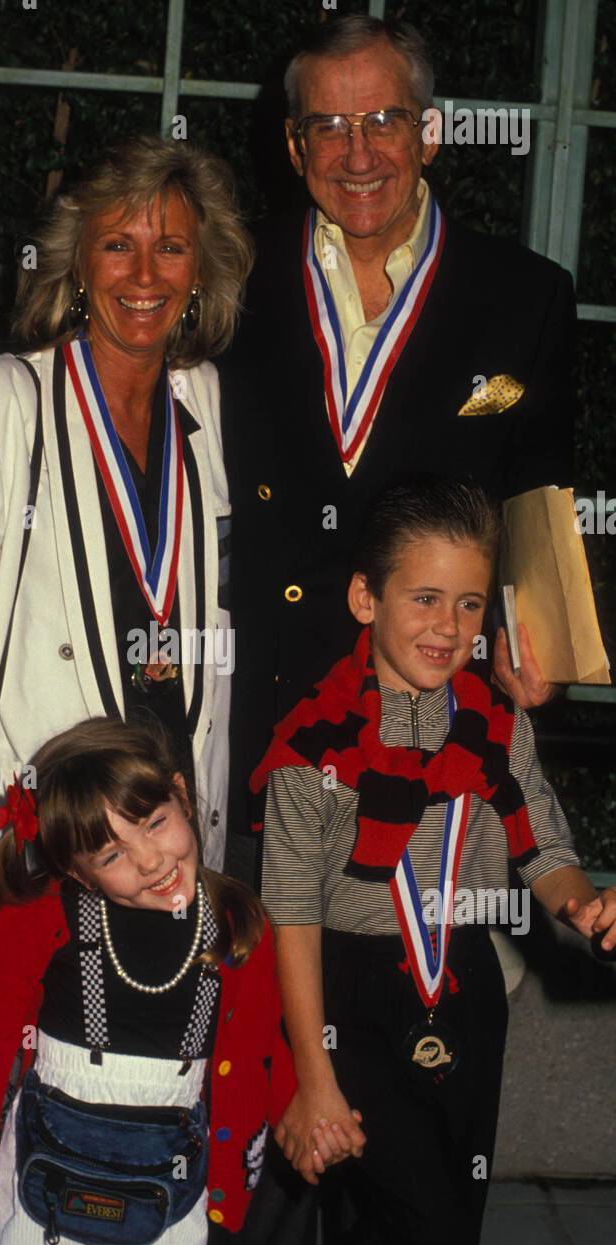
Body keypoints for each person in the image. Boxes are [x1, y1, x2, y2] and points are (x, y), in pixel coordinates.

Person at [252, 478, 615, 1245]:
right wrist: (313, 1074)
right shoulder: (313, 740)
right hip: (345, 995)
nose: (446, 627)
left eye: (467, 604)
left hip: (463, 986)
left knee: (427, 1221)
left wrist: (579, 903)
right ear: (362, 596)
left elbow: (542, 846)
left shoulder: (496, 722)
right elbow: (293, 913)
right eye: (422, 598)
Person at [0, 135, 253, 940]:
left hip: (178, 851)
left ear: (201, 270)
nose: (146, 275)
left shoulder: (213, 409)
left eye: (171, 248)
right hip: (46, 844)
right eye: (117, 246)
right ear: (76, 263)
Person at [219, 14, 576, 841]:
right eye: (328, 127)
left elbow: (536, 494)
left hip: (435, 718)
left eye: (383, 119)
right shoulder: (230, 273)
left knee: (422, 963)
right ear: (293, 144)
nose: (358, 154)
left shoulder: (525, 296)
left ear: (428, 133)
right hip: (257, 716)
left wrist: (543, 647)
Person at [0, 715, 301, 1245]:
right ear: (74, 871)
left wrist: (304, 1110)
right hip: (45, 1176)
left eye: (155, 823)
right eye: (111, 855)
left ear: (182, 796)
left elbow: (262, 1045)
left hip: (169, 1177)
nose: (148, 861)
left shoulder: (238, 928)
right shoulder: (46, 918)